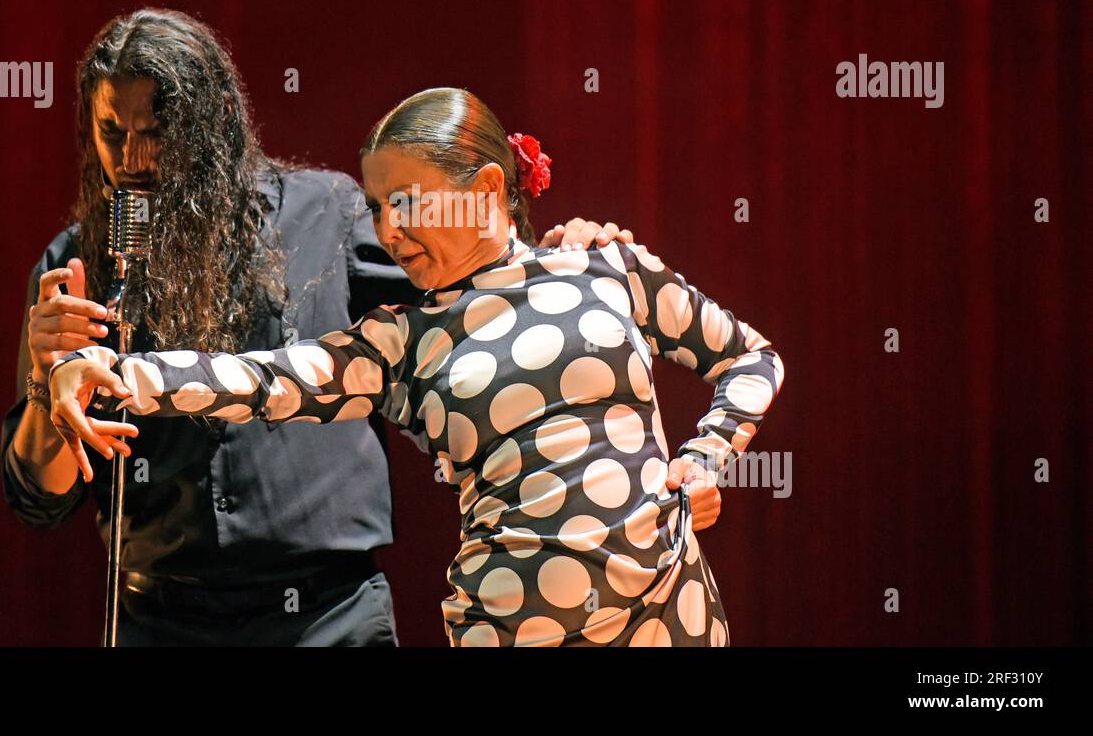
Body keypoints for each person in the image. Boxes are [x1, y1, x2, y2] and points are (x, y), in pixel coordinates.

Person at [50, 87, 786, 646]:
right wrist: (113, 371)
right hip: (509, 630)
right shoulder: (402, 341)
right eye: (375, 207)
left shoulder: (606, 268)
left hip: (668, 611)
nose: (388, 230)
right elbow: (263, 378)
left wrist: (702, 459)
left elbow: (751, 356)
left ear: (486, 192)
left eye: (406, 202)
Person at [4, 9, 635, 645]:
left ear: (216, 116)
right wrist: (43, 378)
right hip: (161, 620)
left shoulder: (326, 215)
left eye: (157, 131)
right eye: (113, 132)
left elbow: (476, 294)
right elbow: (41, 497)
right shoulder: (77, 265)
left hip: (325, 619)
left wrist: (560, 261)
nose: (132, 160)